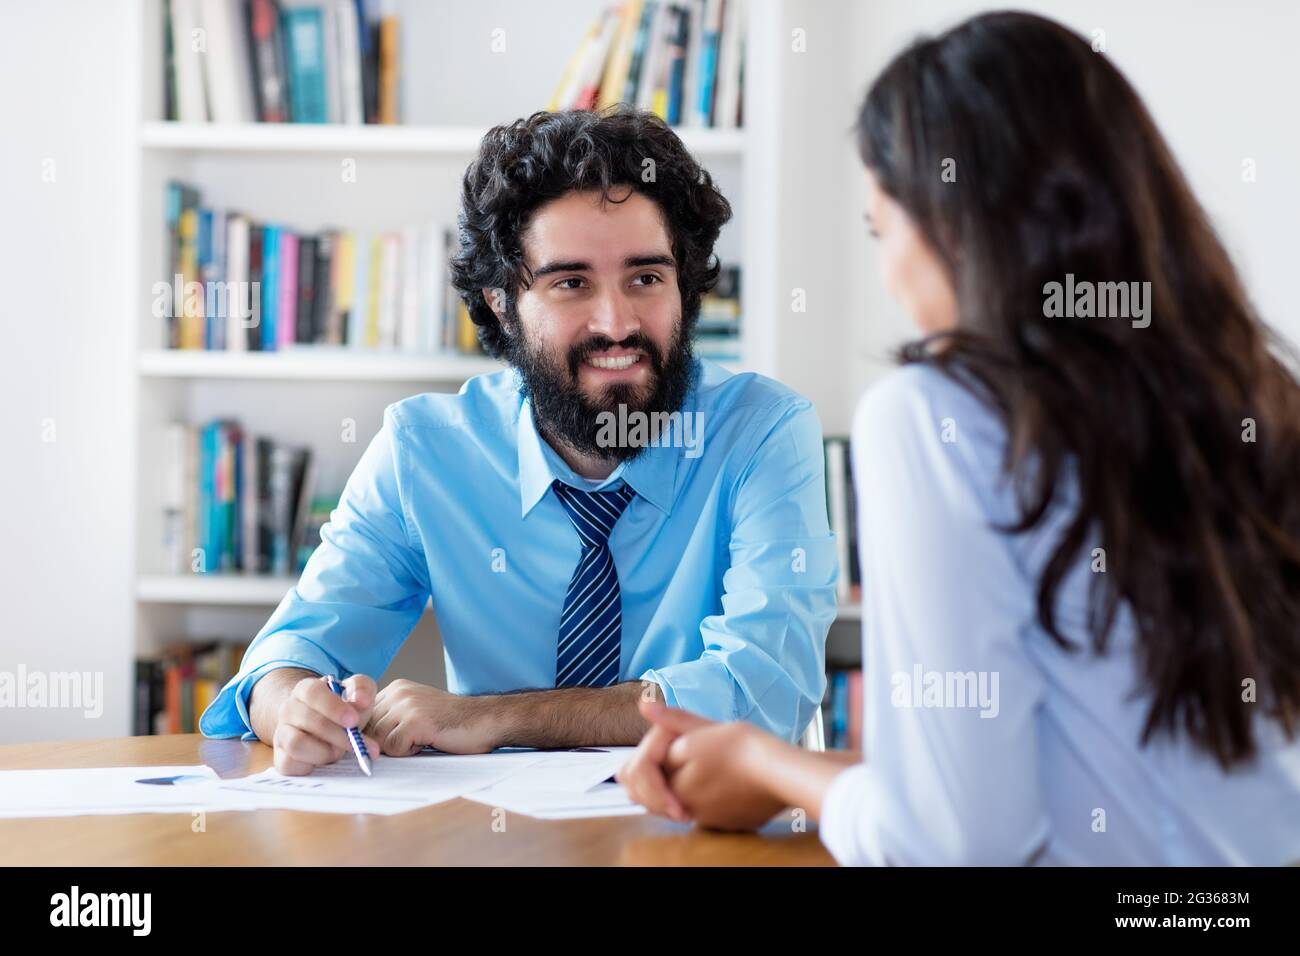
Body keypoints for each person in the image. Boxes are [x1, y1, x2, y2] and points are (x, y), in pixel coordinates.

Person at [618, 11, 1300, 866]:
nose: (887, 268)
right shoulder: (1246, 392)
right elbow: (1082, 766)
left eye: (881, 228)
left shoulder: (938, 417)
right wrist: (788, 769)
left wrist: (765, 761)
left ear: (953, 223)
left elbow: (958, 845)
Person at [199, 107, 837, 774]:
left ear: (686, 287)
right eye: (571, 283)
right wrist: (293, 707)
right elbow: (287, 656)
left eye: (646, 278)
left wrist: (494, 718)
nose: (616, 323)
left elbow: (768, 690)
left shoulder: (763, 434)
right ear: (503, 301)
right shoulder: (425, 451)